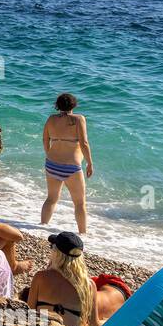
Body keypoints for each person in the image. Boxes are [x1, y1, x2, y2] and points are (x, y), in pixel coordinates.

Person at [25, 232, 98, 326]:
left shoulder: (40, 277)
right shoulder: (89, 285)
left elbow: (29, 314)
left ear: (56, 253)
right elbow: (95, 325)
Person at [41, 93, 93, 234]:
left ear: (57, 105)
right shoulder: (78, 119)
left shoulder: (51, 119)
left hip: (51, 164)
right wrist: (89, 163)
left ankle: (41, 227)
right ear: (74, 105)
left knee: (51, 198)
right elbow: (84, 143)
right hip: (71, 167)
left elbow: (45, 139)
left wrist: (49, 154)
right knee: (80, 203)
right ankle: (83, 234)